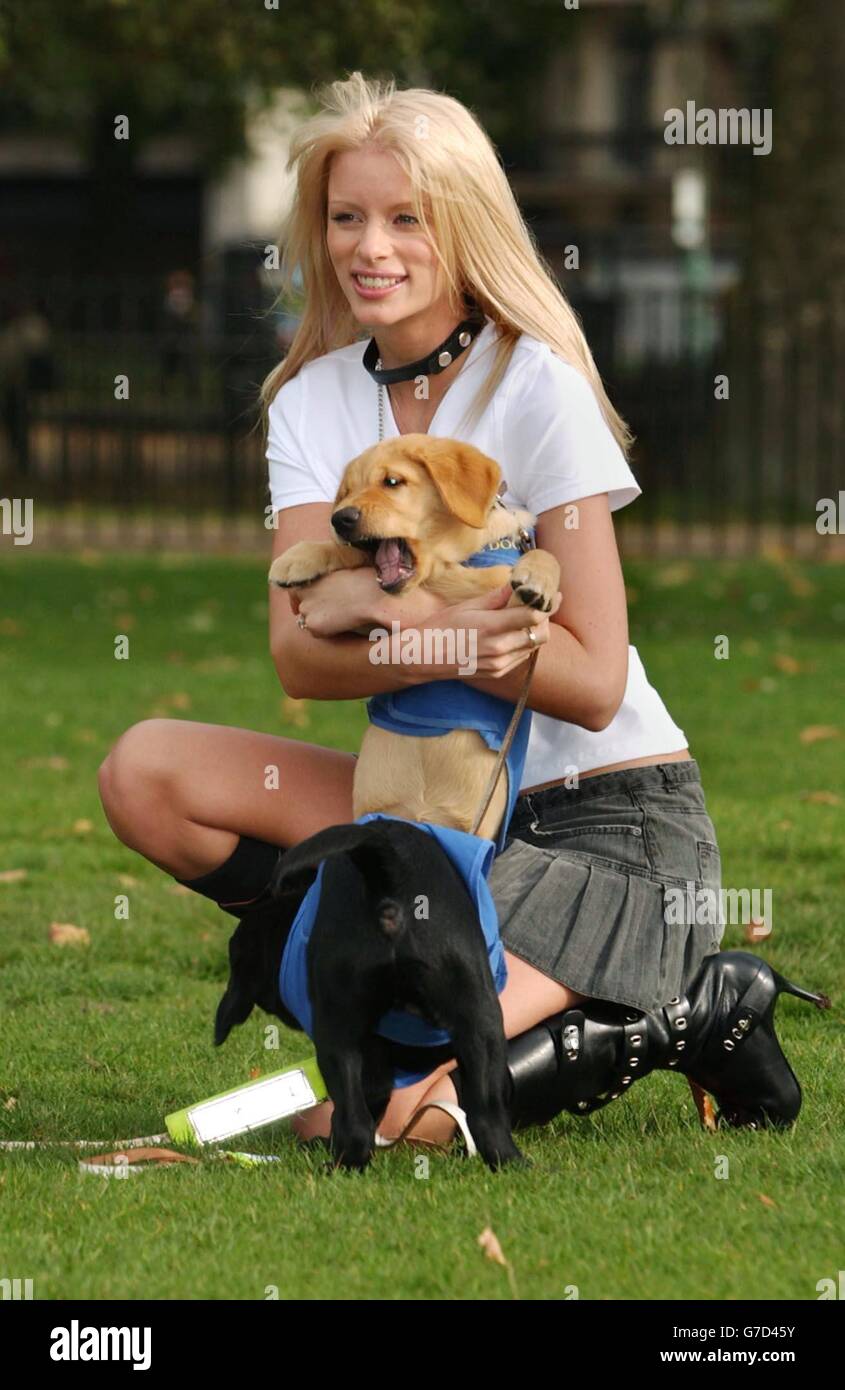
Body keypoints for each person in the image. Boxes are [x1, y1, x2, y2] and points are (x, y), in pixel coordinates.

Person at [98, 73, 823, 1155]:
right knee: (145, 773)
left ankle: (683, 1003)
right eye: (346, 217)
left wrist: (394, 614)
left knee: (410, 1127)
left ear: (461, 225)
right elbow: (300, 652)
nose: (369, 246)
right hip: (436, 803)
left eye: (405, 218)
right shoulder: (310, 400)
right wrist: (455, 629)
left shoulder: (533, 383)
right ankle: (385, 1014)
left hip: (604, 820)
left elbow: (588, 676)